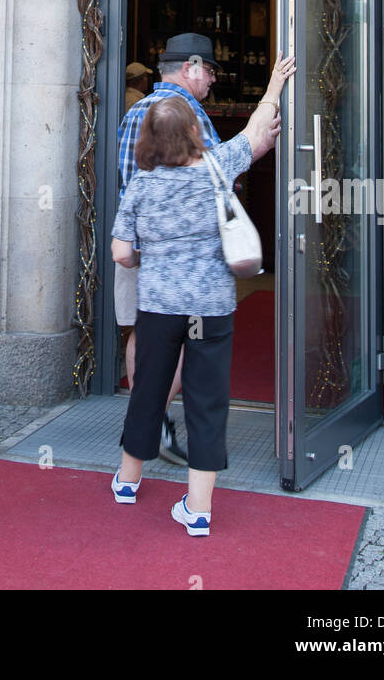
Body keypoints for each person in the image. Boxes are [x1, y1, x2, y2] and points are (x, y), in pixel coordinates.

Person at [110, 52, 295, 536]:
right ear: (194, 133)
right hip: (210, 307)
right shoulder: (215, 167)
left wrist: (142, 257)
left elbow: (121, 253)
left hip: (159, 306)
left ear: (149, 139)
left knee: (148, 389)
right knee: (206, 400)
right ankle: (198, 508)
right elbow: (256, 134)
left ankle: (128, 480)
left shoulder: (142, 187)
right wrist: (274, 84)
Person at [116, 32, 222, 465]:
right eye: (211, 71)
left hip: (135, 244)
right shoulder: (190, 113)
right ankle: (152, 421)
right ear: (191, 68)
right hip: (179, 256)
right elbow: (217, 181)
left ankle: (143, 427)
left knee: (141, 333)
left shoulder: (135, 111)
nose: (213, 80)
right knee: (180, 342)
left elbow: (127, 183)